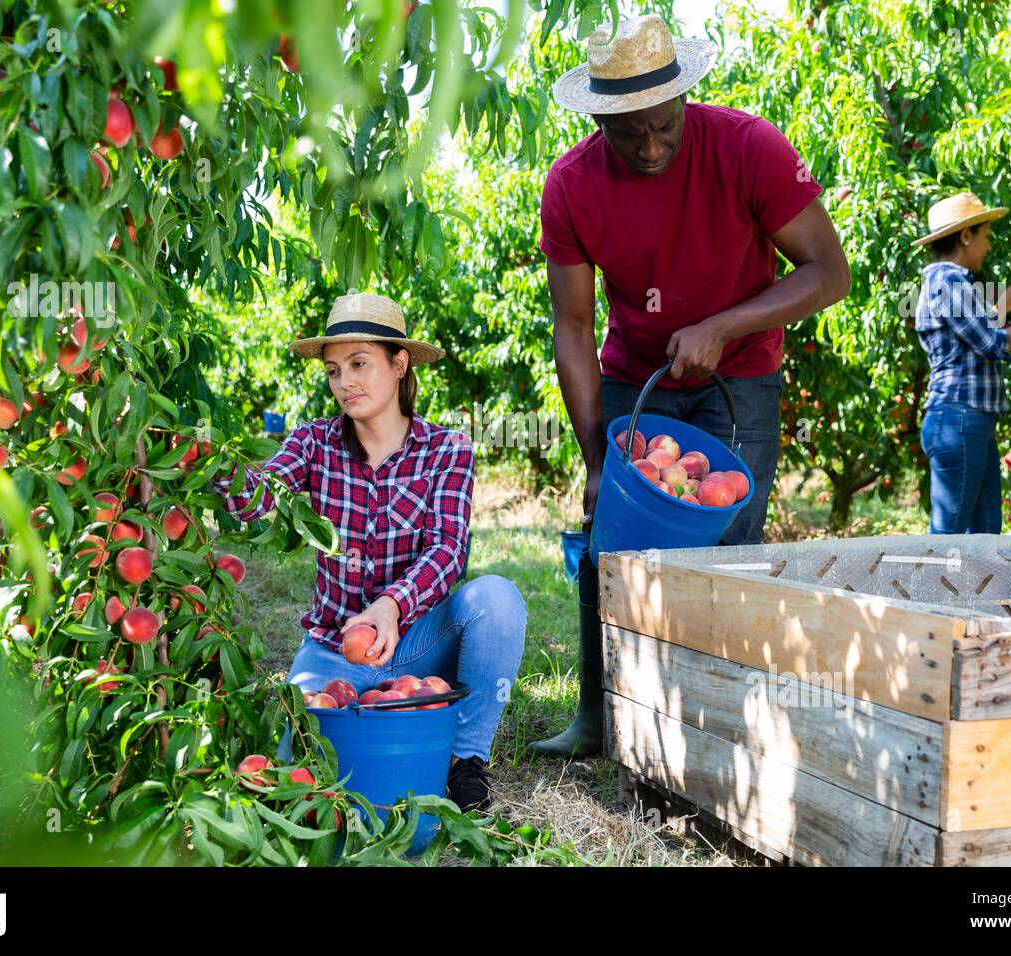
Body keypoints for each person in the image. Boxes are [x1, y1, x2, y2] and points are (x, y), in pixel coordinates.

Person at [530, 14, 851, 757]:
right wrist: (594, 458)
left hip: (740, 376)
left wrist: (725, 327)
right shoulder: (573, 186)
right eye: (627, 133)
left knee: (728, 545)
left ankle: (720, 728)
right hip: (634, 376)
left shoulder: (748, 148)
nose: (649, 148)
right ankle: (598, 714)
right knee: (612, 545)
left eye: (664, 127)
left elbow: (829, 274)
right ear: (598, 119)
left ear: (685, 99)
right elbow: (574, 329)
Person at [211, 293, 526, 811]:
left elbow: (449, 549)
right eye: (334, 370)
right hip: (336, 648)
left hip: (417, 641)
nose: (345, 383)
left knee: (498, 598)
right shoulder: (314, 443)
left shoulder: (447, 450)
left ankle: (465, 760)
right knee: (299, 767)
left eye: (360, 364)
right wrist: (205, 458)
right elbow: (253, 498)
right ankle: (392, 712)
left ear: (399, 364)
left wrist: (392, 606)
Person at [911, 191, 1011, 534]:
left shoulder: (949, 283)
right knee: (947, 536)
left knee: (985, 535)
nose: (988, 246)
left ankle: (980, 590)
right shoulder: (949, 281)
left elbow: (968, 334)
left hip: (971, 419)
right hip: (959, 416)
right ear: (966, 236)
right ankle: (927, 590)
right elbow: (992, 344)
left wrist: (1005, 303)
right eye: (985, 236)